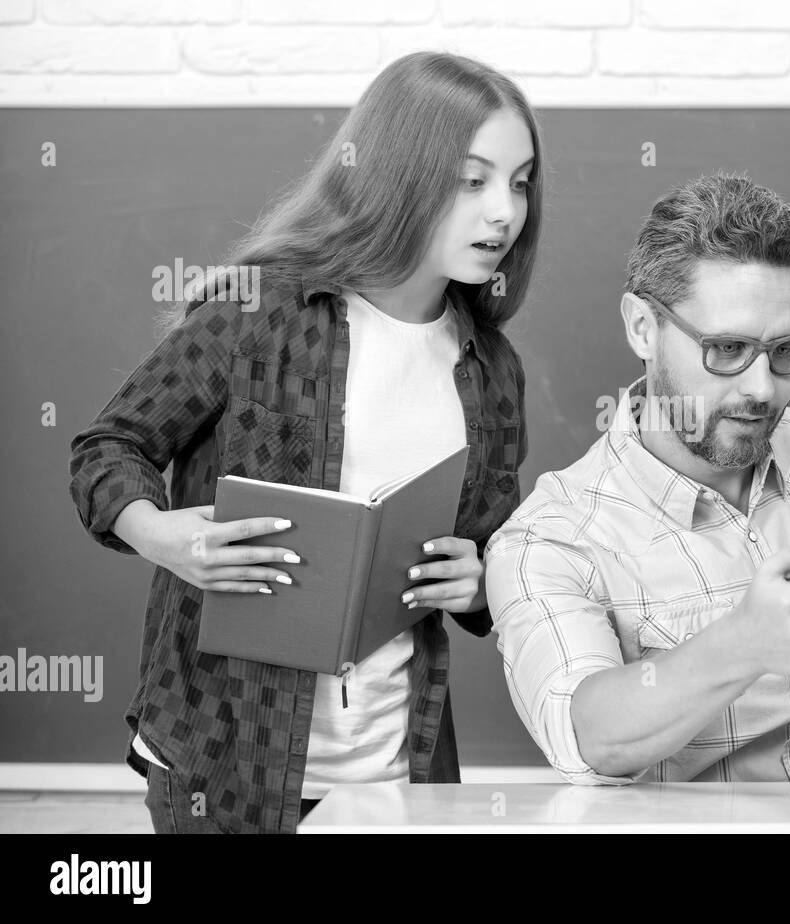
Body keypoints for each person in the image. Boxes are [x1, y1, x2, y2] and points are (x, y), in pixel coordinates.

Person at [68, 52, 540, 832]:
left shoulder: (491, 370)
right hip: (223, 765)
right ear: (400, 173)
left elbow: (495, 558)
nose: (505, 213)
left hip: (399, 771)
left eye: (520, 183)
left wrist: (482, 584)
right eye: (473, 179)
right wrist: (161, 536)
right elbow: (106, 448)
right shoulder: (258, 311)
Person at [485, 172, 790, 785]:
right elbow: (588, 738)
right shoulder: (550, 538)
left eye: (785, 351)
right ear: (643, 327)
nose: (762, 387)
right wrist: (741, 646)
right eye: (728, 349)